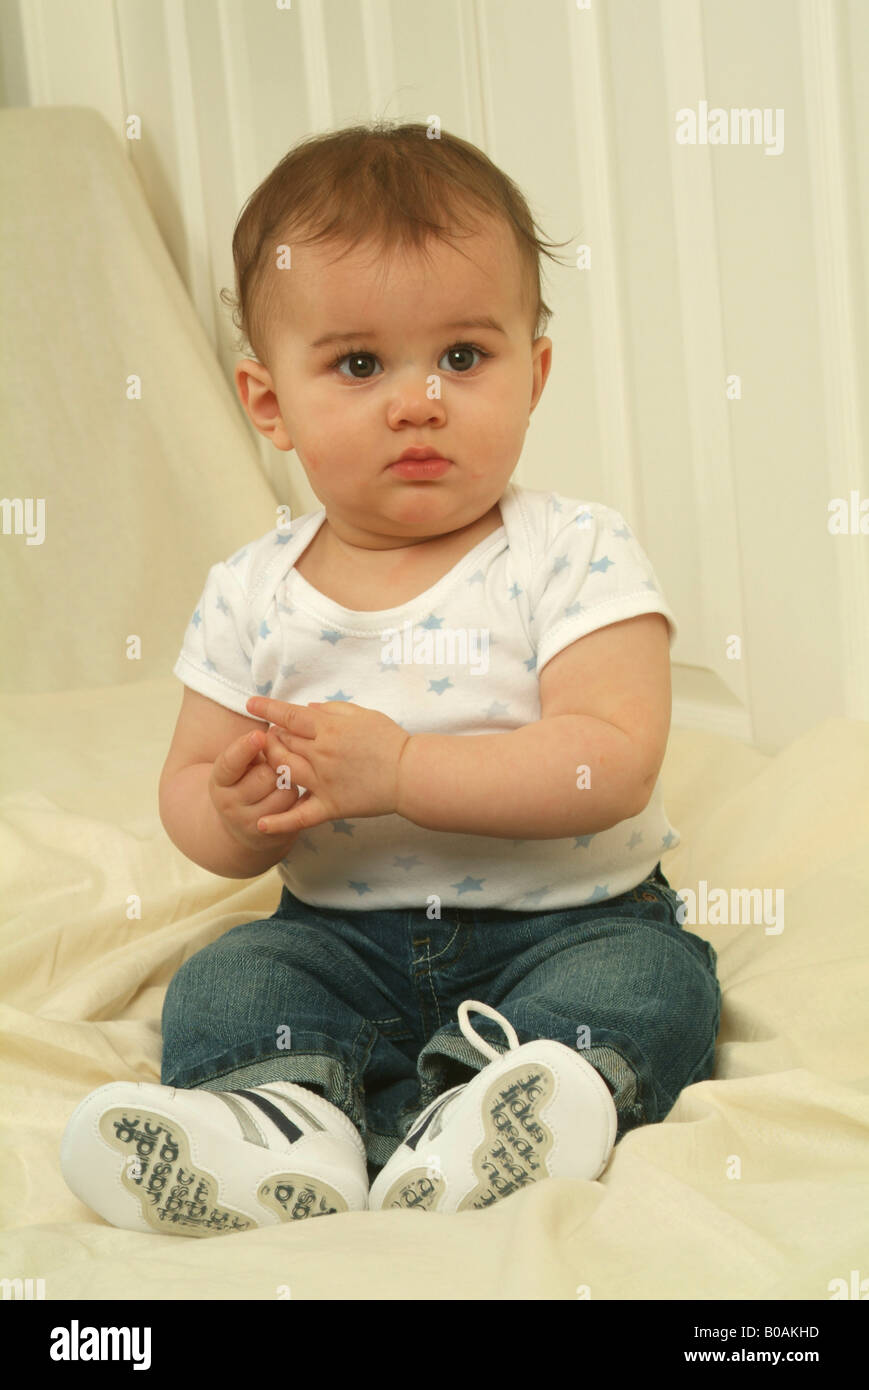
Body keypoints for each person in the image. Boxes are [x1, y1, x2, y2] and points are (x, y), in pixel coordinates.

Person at [60, 121, 720, 1237]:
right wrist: (231, 813)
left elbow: (606, 763)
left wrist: (403, 768)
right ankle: (283, 1122)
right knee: (231, 976)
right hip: (339, 935)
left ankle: (504, 1107)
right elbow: (191, 794)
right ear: (268, 403)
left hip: (568, 921)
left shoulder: (571, 552)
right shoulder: (250, 591)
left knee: (652, 987)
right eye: (359, 365)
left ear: (533, 371)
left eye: (462, 357)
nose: (417, 400)